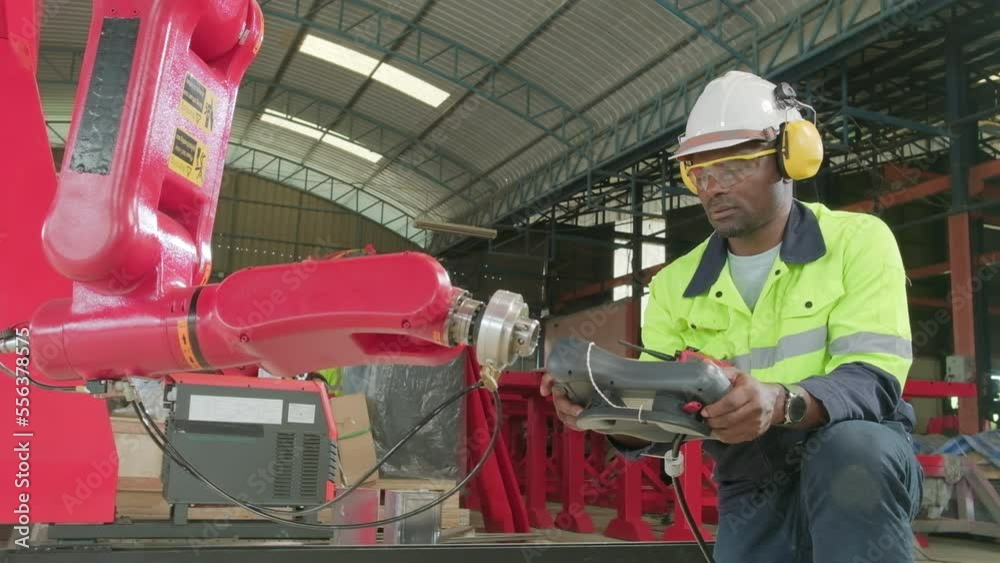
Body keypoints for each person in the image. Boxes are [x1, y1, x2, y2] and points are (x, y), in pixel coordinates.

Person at [540, 71, 923, 563]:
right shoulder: (675, 284)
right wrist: (602, 414)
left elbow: (873, 379)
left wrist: (781, 402)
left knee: (851, 448)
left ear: (790, 158)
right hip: (752, 476)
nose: (712, 187)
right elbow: (666, 419)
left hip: (861, 460)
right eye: (697, 171)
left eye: (734, 166)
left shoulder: (858, 241)